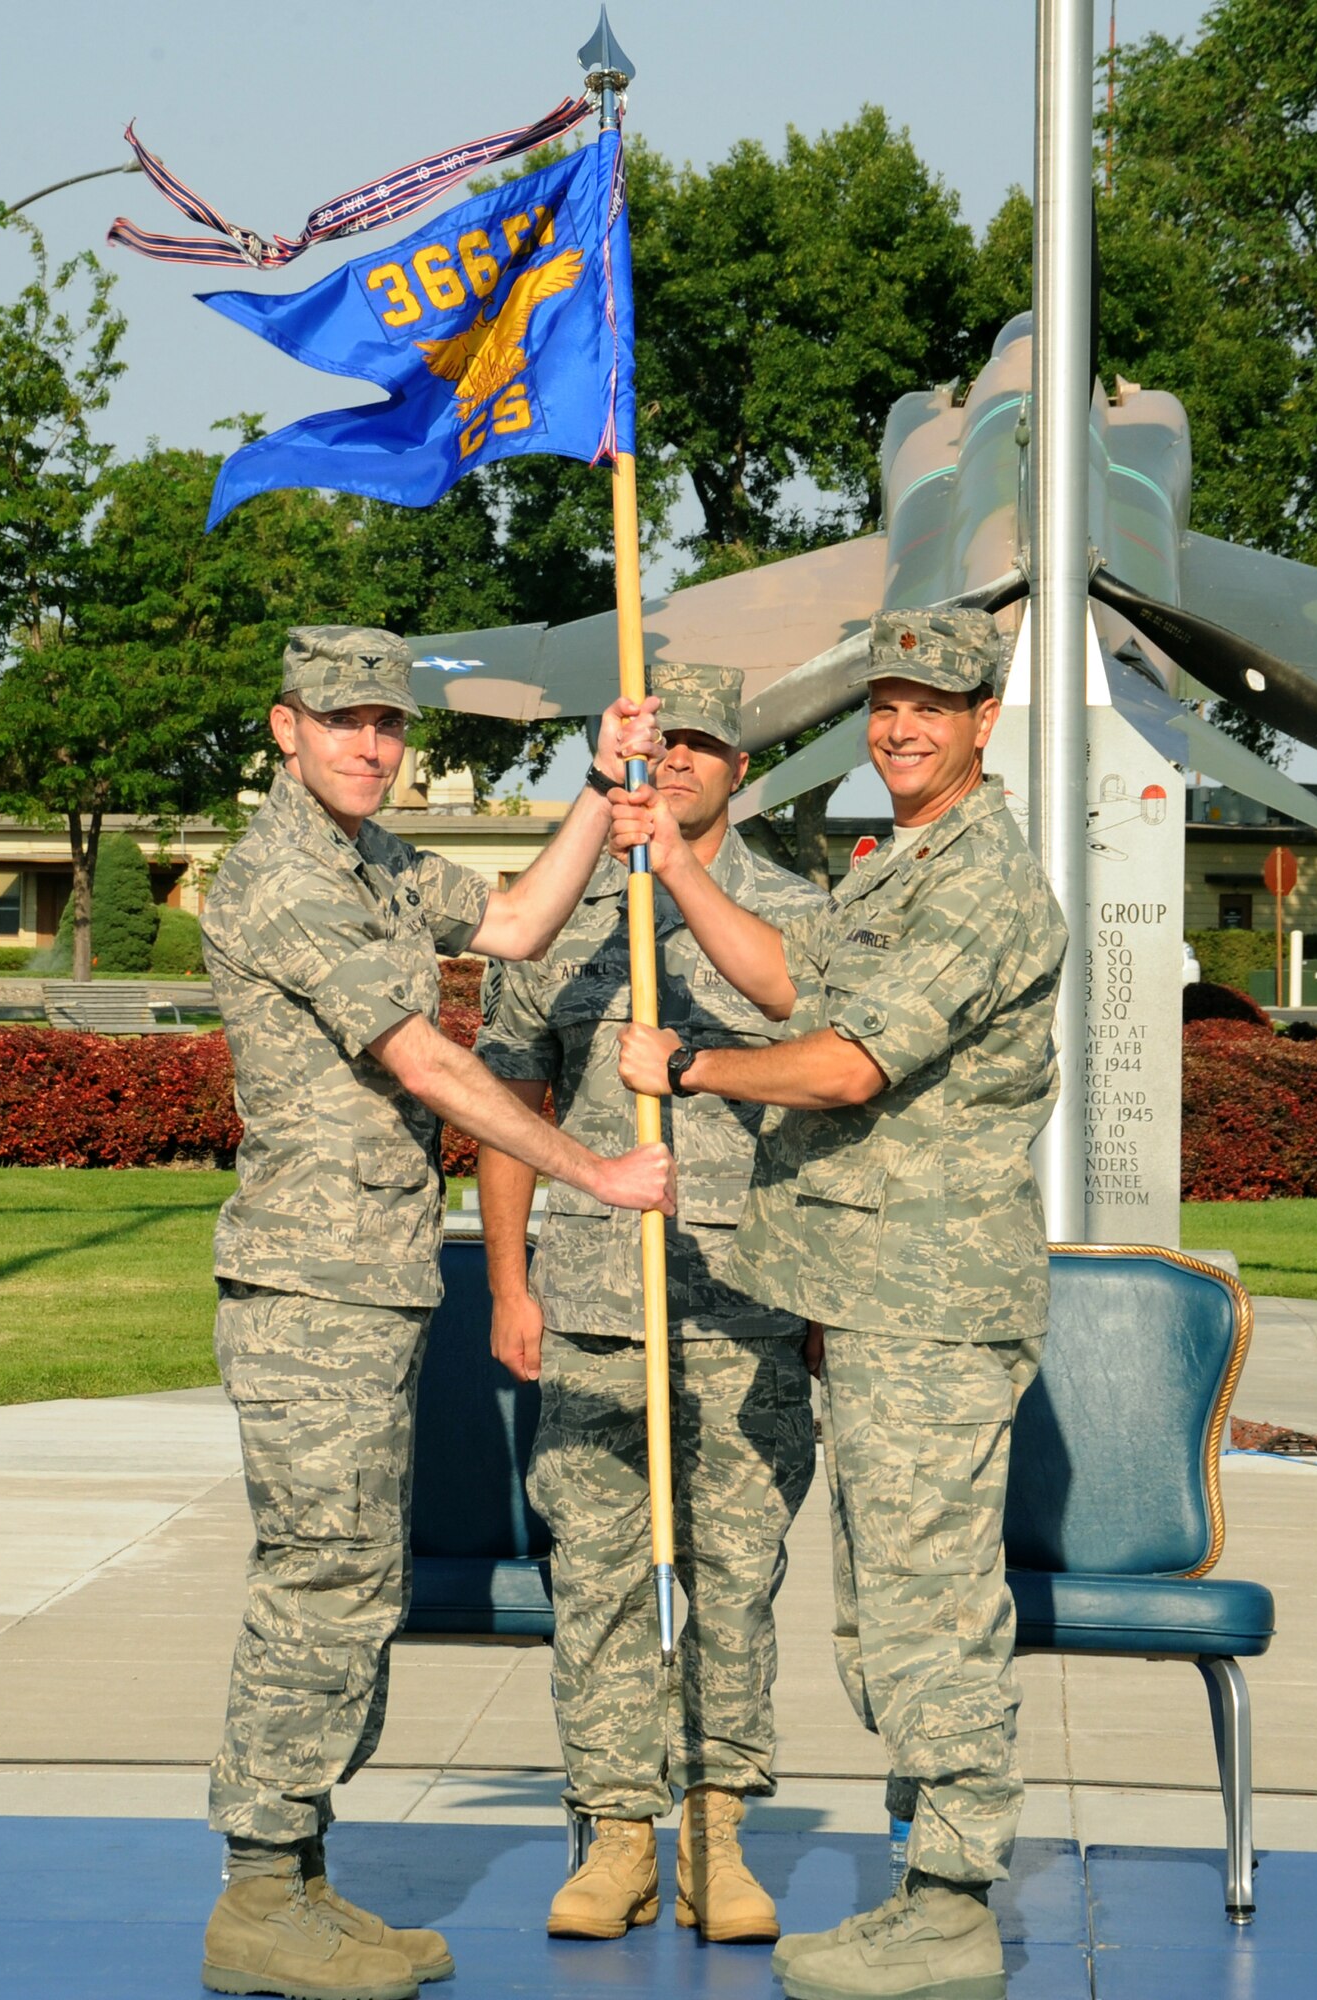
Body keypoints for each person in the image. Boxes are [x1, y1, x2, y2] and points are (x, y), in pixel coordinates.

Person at [197, 627, 675, 2000]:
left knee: (353, 1582)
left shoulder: (373, 861)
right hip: (310, 1289)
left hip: (366, 1281)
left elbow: (514, 924)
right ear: (286, 726)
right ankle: (258, 1892)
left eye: (389, 723)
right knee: (320, 1583)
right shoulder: (289, 879)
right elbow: (425, 1060)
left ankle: (298, 1879)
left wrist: (601, 784)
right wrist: (592, 1169)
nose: (371, 743)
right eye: (342, 719)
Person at [610, 611, 1066, 2000]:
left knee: (932, 1612)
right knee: (888, 1613)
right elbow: (787, 974)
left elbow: (847, 1063)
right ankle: (924, 1886)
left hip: (933, 1310)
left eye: (932, 704)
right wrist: (673, 853)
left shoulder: (984, 883)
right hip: (876, 1307)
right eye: (885, 703)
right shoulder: (901, 867)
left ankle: (953, 1903)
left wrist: (687, 1069)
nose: (901, 727)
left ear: (984, 719)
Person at [473, 664, 826, 1946]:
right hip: (589, 1295)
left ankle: (718, 1833)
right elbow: (506, 1103)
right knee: (599, 1575)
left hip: (747, 1301)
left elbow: (837, 1097)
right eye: (655, 741)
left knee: (735, 1574)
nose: (674, 761)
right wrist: (507, 1280)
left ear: (740, 767)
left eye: (701, 745)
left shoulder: (799, 915)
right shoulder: (563, 912)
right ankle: (618, 1830)